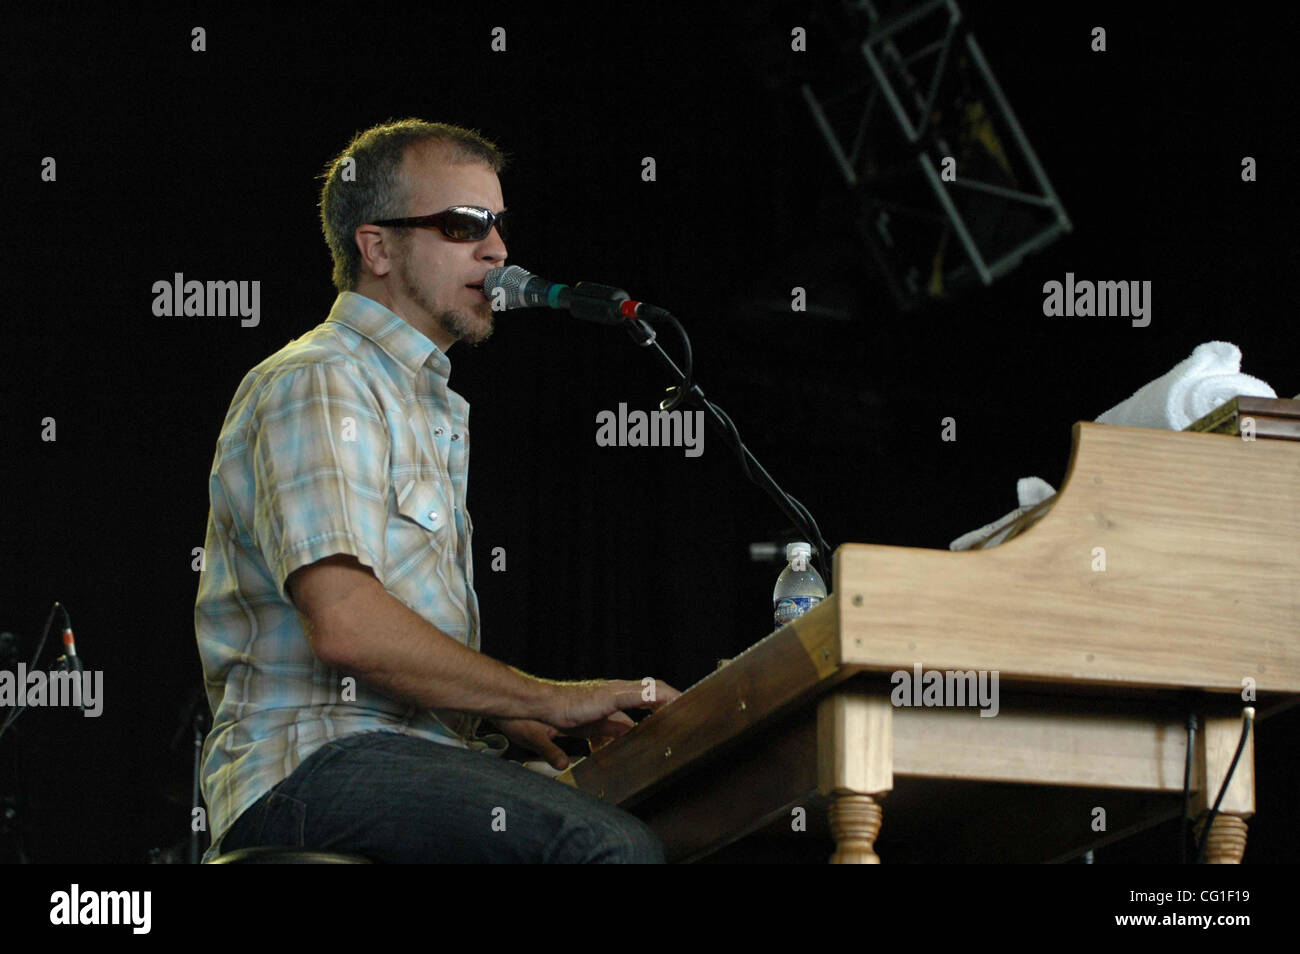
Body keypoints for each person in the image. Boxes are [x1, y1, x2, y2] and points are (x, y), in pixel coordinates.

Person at [194, 119, 680, 863]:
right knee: (607, 847)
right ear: (377, 247)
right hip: (310, 765)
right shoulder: (323, 378)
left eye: (499, 226)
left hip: (404, 754)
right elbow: (346, 625)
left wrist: (511, 722)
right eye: (463, 225)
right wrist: (548, 698)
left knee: (670, 822)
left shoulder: (427, 404)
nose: (497, 251)